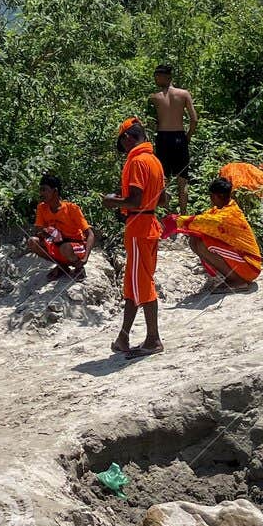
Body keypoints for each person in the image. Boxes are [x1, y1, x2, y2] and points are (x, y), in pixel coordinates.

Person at [103, 118, 166, 358]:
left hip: (139, 227)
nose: (124, 150)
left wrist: (113, 201)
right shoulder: (154, 161)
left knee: (144, 285)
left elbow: (136, 201)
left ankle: (153, 340)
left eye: (123, 143)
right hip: (147, 225)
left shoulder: (138, 161)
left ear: (128, 138)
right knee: (133, 284)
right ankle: (123, 337)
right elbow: (163, 199)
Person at [172, 177, 262, 291]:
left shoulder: (229, 214)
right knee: (195, 241)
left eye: (211, 196)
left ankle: (238, 281)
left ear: (216, 196)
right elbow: (203, 219)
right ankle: (232, 277)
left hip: (250, 265)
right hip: (244, 262)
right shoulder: (221, 209)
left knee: (203, 244)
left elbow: (205, 221)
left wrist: (178, 221)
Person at [26, 174, 96, 279]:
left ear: (55, 191)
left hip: (75, 247)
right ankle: (62, 266)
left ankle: (79, 268)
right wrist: (50, 233)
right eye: (41, 190)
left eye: (44, 190)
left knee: (65, 247)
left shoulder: (72, 208)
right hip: (57, 244)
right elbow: (39, 230)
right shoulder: (42, 208)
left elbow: (90, 234)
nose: (41, 193)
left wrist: (85, 258)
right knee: (33, 242)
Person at [151, 64, 199, 215]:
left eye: (158, 76)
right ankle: (182, 214)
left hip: (163, 138)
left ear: (167, 77)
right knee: (181, 179)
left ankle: (168, 214)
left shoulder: (154, 97)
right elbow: (194, 120)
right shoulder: (183, 94)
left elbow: (151, 122)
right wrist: (187, 137)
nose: (156, 79)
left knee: (162, 179)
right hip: (179, 137)